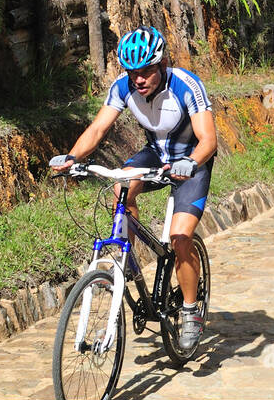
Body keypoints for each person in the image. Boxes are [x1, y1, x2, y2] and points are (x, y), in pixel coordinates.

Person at [49, 26, 218, 351]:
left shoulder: (186, 85)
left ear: (163, 64)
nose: (138, 80)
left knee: (181, 237)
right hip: (156, 154)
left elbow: (208, 139)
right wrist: (72, 158)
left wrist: (192, 162)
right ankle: (127, 259)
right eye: (132, 73)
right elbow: (98, 127)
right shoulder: (122, 88)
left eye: (145, 72)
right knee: (120, 187)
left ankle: (189, 311)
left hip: (192, 161)